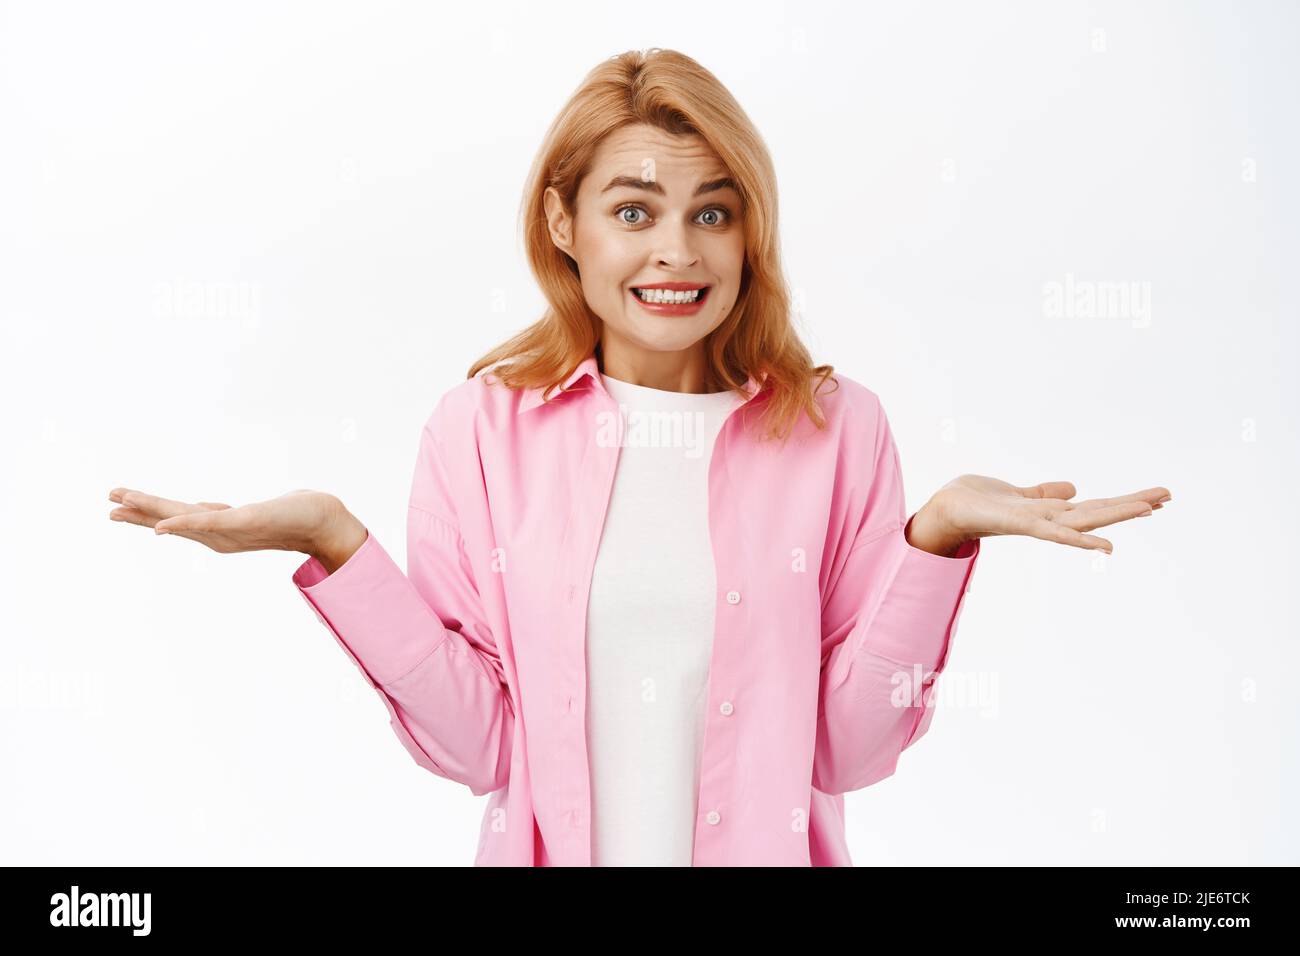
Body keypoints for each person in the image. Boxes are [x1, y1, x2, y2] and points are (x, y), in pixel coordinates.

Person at [108, 48, 1170, 866]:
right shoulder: (478, 431)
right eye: (634, 210)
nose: (678, 250)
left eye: (713, 211)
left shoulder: (837, 430)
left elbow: (848, 751)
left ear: (749, 231)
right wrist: (334, 543)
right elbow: (477, 749)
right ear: (564, 223)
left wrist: (935, 538)